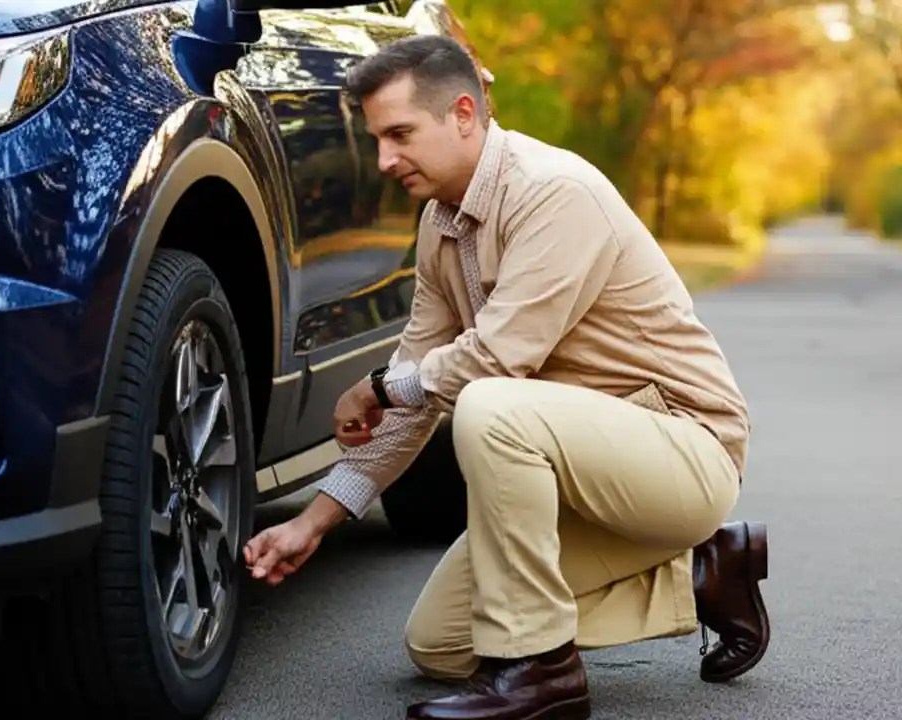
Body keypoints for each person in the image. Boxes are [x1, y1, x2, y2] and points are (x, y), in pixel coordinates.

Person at [242, 34, 769, 720]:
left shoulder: (555, 193)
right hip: (574, 469)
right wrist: (312, 522)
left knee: (488, 403)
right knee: (441, 644)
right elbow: (415, 384)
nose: (384, 159)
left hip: (680, 451)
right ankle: (703, 575)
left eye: (400, 134)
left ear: (463, 113)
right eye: (376, 139)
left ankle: (540, 672)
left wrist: (375, 386)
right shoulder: (441, 224)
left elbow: (492, 360)